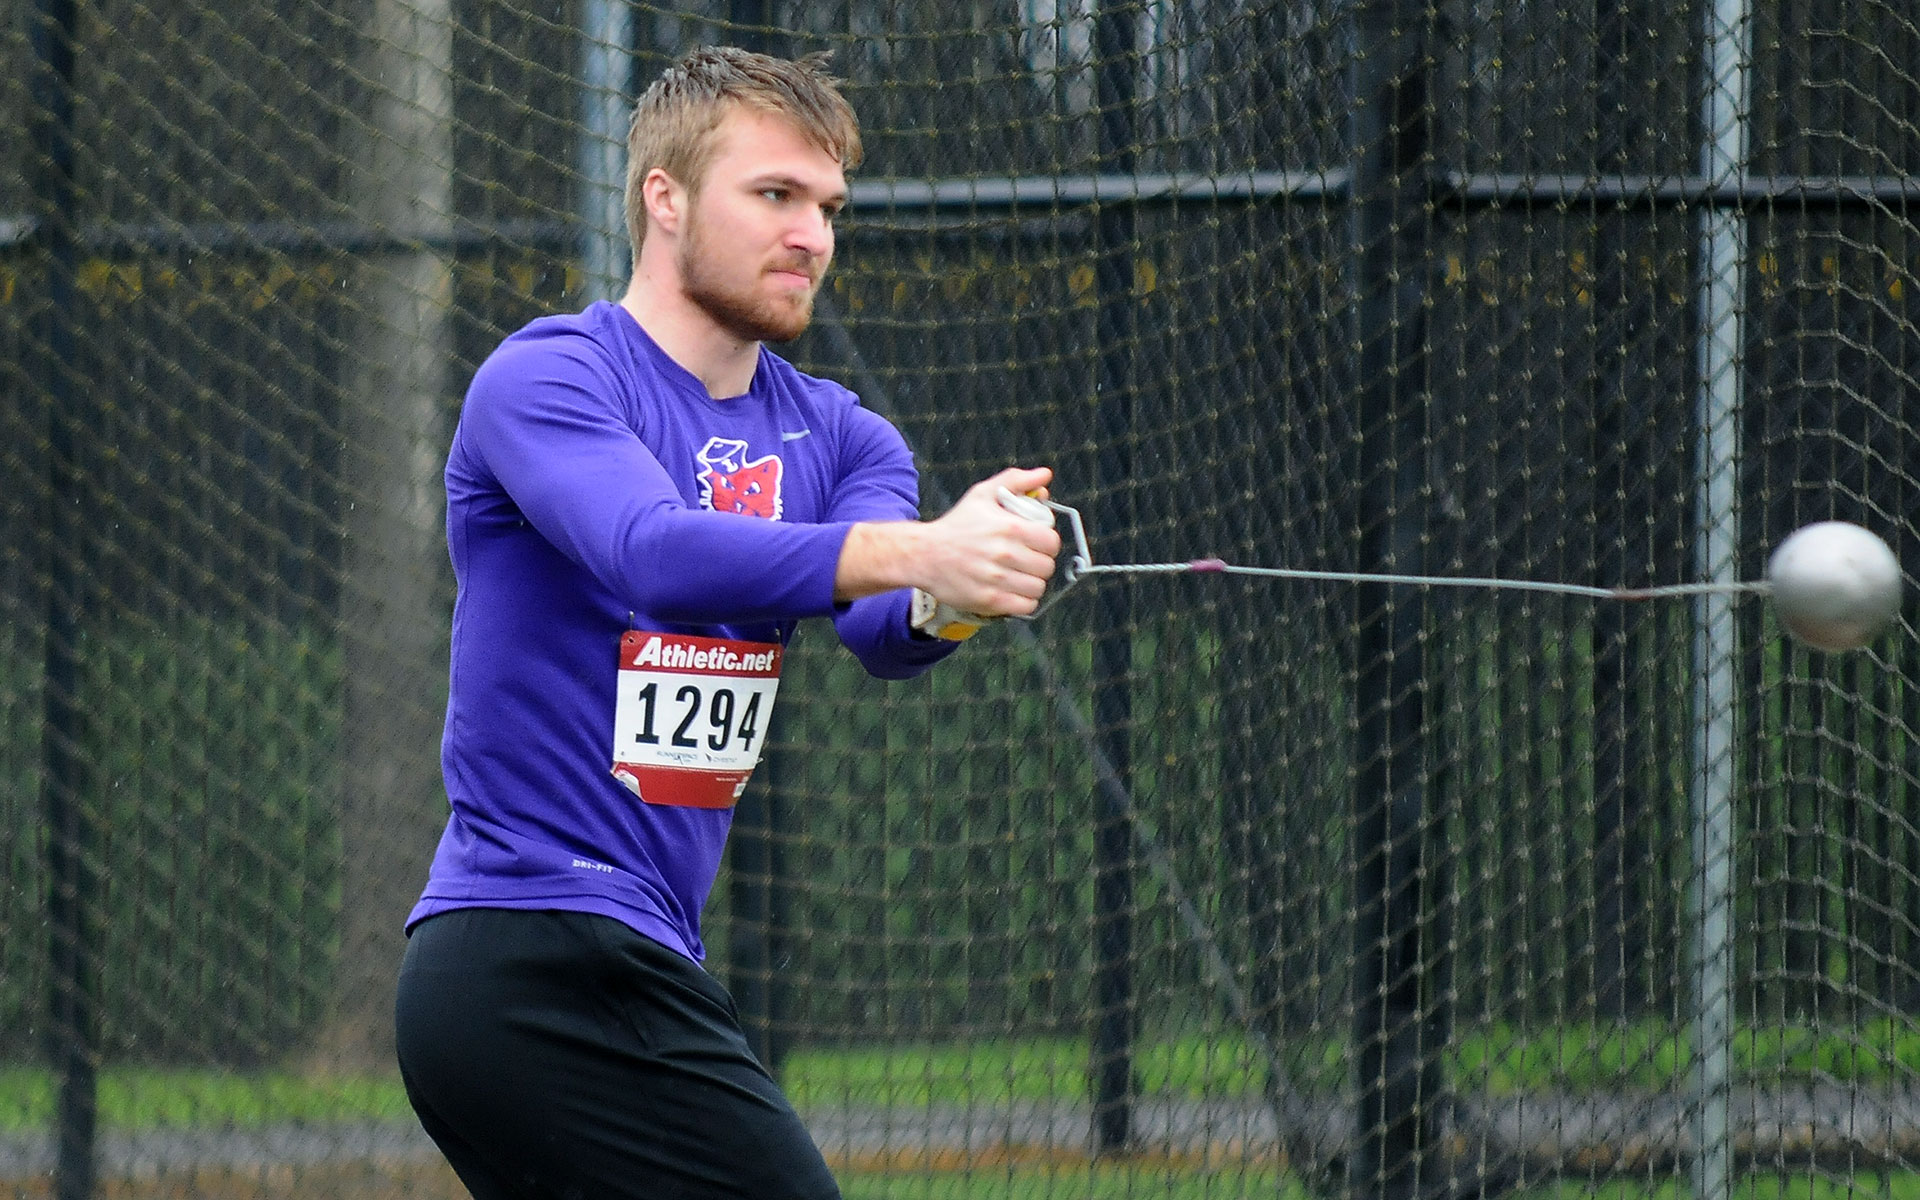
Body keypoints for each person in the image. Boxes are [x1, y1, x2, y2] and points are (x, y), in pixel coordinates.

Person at [393, 45, 1060, 1200]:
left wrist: (961, 587)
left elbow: (880, 633)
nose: (814, 235)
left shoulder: (848, 438)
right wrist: (922, 549)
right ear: (666, 198)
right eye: (775, 196)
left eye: (829, 206)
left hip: (634, 951)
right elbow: (655, 551)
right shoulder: (550, 376)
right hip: (528, 946)